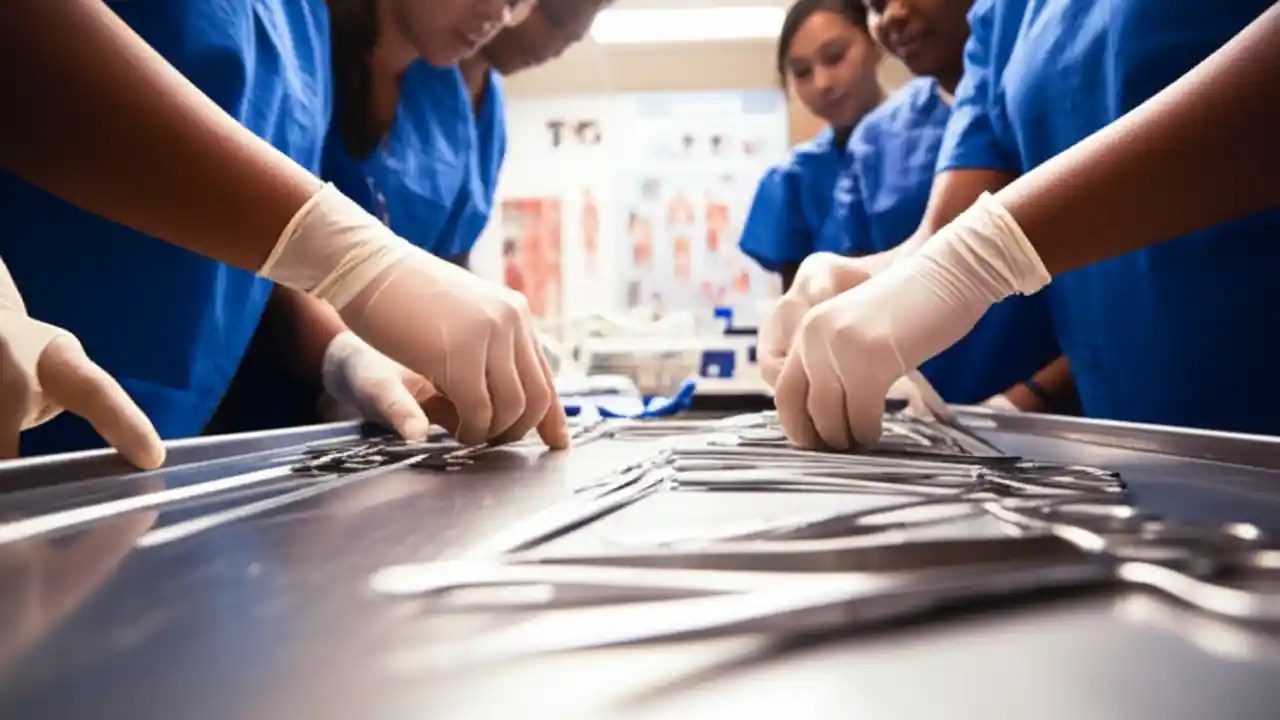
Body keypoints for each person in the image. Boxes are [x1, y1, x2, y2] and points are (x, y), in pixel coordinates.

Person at [0, 0, 569, 466]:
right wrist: (359, 260)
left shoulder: (307, 23)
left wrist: (341, 353)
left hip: (161, 447)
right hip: (37, 410)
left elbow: (243, 253)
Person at [760, 1, 1280, 449]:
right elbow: (946, 234)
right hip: (1125, 446)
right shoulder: (1002, 14)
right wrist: (860, 279)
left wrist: (989, 251)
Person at [806, 0, 1066, 408]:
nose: (891, 15)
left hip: (1068, 404)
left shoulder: (1042, 72)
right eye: (875, 6)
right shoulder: (878, 138)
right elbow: (940, 239)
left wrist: (1025, 401)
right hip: (929, 414)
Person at [738, 0, 886, 291]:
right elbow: (801, 312)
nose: (822, 83)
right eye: (802, 72)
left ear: (875, 42)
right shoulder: (792, 180)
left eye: (835, 56)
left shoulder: (939, 141)